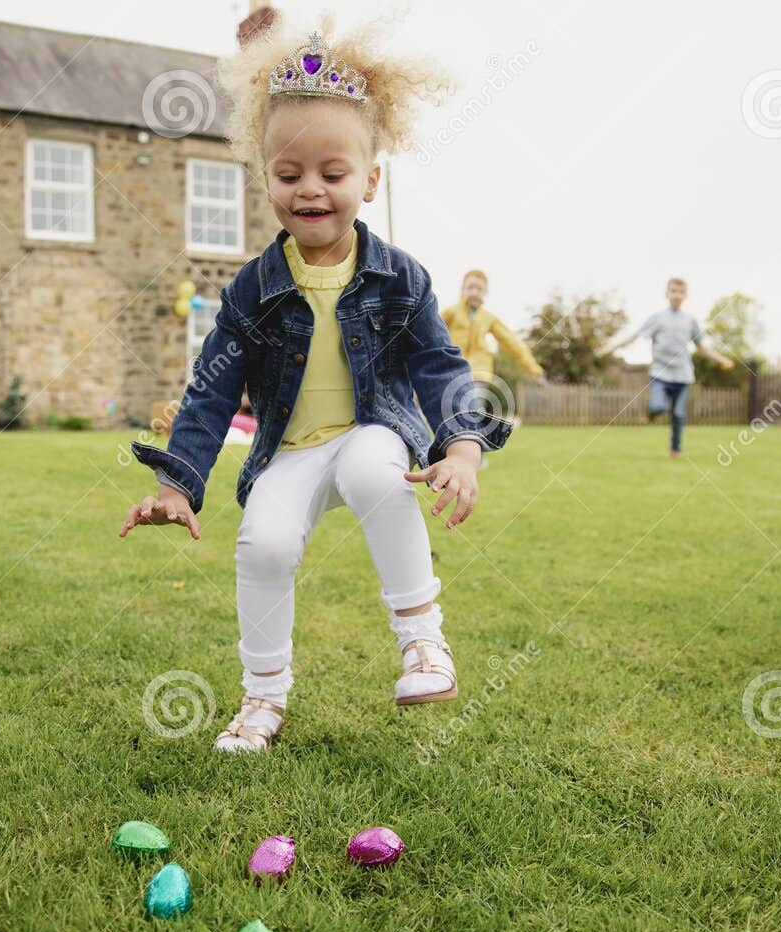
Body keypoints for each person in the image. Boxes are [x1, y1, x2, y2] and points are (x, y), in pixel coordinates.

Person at [118, 17, 508, 753]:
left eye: (333, 173)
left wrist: (461, 448)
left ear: (371, 178)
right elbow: (209, 390)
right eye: (289, 174)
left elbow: (441, 367)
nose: (311, 191)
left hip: (372, 430)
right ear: (264, 175)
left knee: (373, 466)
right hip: (288, 451)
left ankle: (423, 643)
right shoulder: (250, 290)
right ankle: (263, 699)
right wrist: (178, 484)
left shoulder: (402, 277)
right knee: (262, 544)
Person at [601, 278, 734, 457]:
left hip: (683, 375)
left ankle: (675, 449)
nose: (676, 295)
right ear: (667, 293)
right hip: (660, 374)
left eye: (680, 292)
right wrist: (610, 347)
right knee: (658, 406)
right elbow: (635, 336)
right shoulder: (657, 319)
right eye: (673, 291)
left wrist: (721, 359)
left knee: (679, 415)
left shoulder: (690, 321)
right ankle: (651, 413)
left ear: (685, 295)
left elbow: (701, 346)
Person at [440, 270, 548, 389]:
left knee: (472, 406)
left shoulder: (488, 318)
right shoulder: (451, 312)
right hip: (452, 370)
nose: (474, 292)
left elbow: (512, 342)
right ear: (462, 290)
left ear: (485, 292)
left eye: (479, 289)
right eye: (470, 288)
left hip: (479, 374)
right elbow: (431, 331)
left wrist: (535, 370)